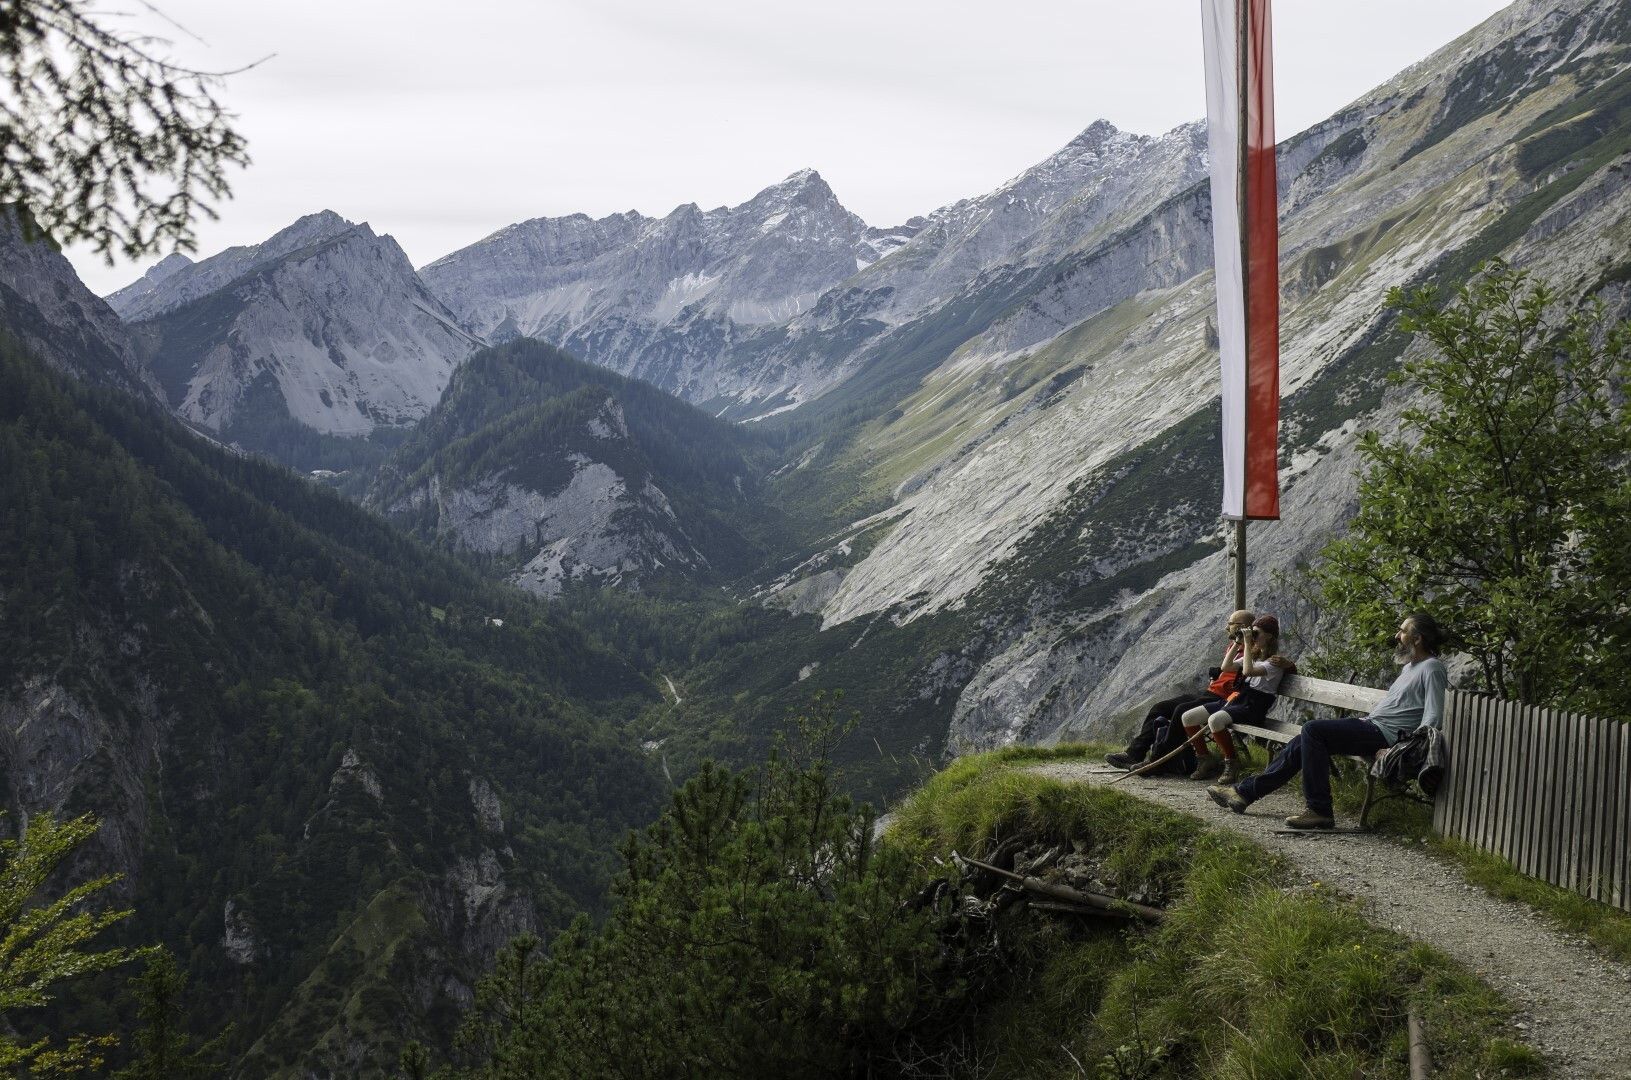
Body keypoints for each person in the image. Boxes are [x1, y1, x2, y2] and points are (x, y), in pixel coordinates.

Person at [1208, 612, 1448, 829]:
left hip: (1385, 735)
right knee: (1305, 738)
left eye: (1404, 631)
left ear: (1417, 639)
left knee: (1313, 730)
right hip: (1371, 726)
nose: (1397, 635)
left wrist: (1398, 748)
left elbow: (1433, 716)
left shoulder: (1432, 668)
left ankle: (1320, 809)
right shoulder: (1410, 668)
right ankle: (1244, 794)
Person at [1104, 610, 1256, 771]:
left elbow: (1246, 672)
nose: (1227, 628)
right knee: (1160, 707)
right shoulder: (1234, 645)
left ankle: (1157, 761)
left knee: (1180, 710)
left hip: (1223, 699)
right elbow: (1227, 668)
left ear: (1243, 627)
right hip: (1210, 693)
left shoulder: (1252, 649)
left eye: (1231, 624)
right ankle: (1135, 753)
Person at [1179, 614, 1293, 783]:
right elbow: (1226, 667)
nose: (1253, 637)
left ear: (1269, 636)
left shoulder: (1274, 663)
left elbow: (1247, 671)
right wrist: (1237, 642)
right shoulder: (1253, 656)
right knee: (1188, 717)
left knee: (1215, 720)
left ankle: (1231, 763)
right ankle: (1205, 758)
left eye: (1257, 633)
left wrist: (1247, 644)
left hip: (1253, 707)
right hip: (1236, 701)